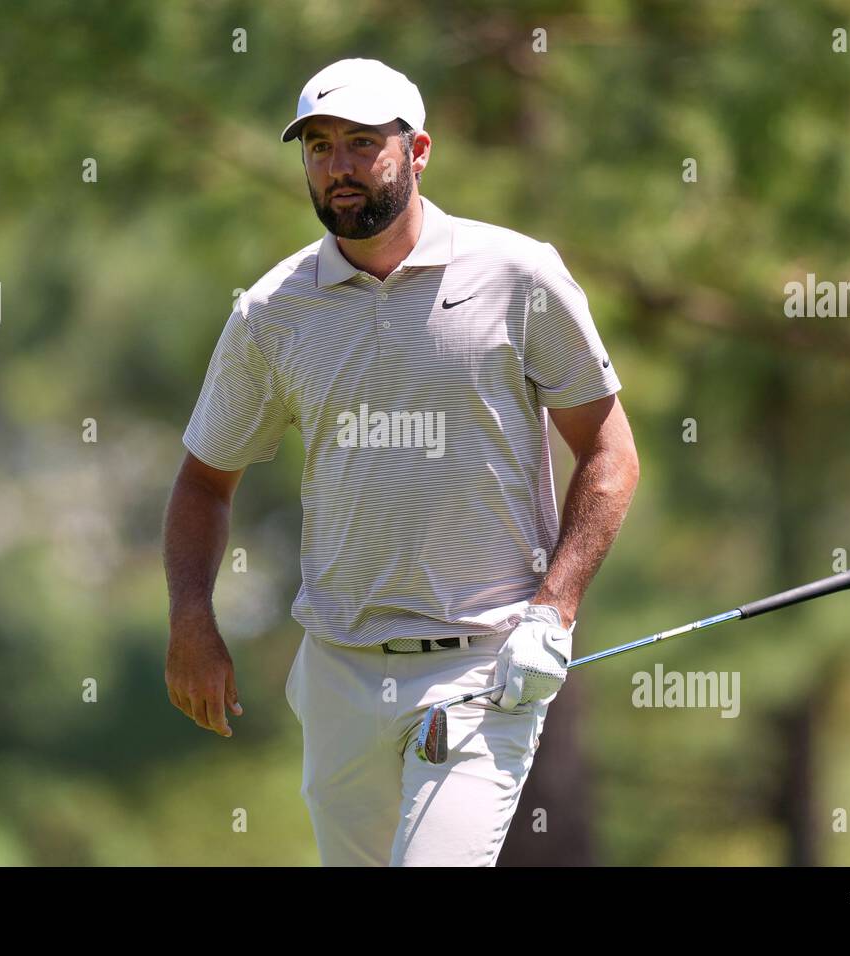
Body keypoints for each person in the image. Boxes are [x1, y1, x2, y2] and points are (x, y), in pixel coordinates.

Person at [164, 58, 640, 866]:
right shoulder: (273, 312)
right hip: (338, 674)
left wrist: (554, 610)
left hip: (483, 667)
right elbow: (204, 481)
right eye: (318, 147)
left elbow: (609, 452)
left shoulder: (519, 276)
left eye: (359, 143)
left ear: (417, 151)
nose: (337, 167)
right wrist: (191, 619)